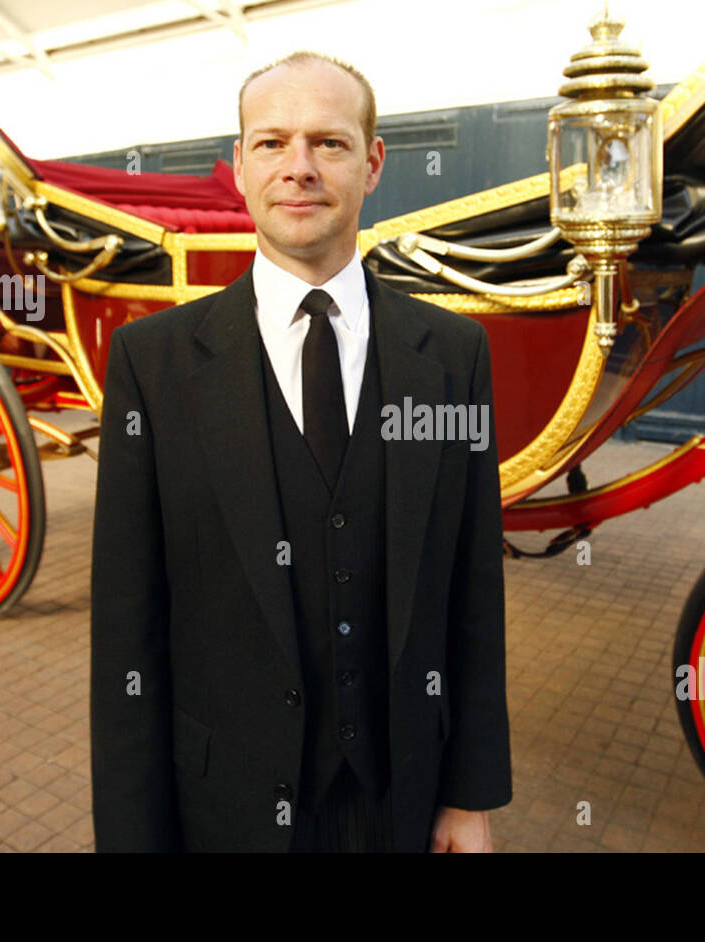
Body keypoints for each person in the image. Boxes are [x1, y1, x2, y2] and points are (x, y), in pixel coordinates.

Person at [89, 50, 511, 852]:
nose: (300, 168)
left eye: (329, 142)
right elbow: (126, 632)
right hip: (224, 811)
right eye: (273, 142)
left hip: (404, 806)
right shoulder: (155, 363)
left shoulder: (453, 355)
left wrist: (470, 795)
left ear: (374, 163)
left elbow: (471, 591)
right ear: (240, 166)